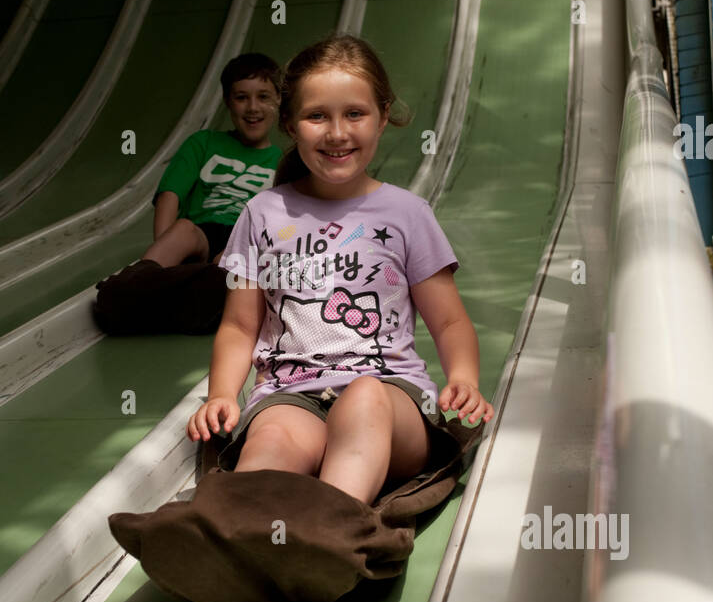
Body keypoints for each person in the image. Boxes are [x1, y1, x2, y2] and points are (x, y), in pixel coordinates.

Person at [186, 33, 493, 506]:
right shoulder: (263, 212)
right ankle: (239, 529)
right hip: (292, 395)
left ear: (383, 117)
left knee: (364, 397)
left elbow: (449, 320)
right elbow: (239, 324)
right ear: (290, 123)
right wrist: (222, 394)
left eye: (354, 113)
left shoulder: (407, 213)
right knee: (268, 443)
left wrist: (464, 379)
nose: (336, 132)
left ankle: (332, 524)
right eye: (316, 116)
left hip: (391, 399)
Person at [93, 52, 283, 335]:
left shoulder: (282, 161)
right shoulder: (204, 142)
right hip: (199, 236)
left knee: (229, 260)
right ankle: (145, 281)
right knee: (183, 229)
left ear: (279, 100)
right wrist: (166, 255)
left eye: (263, 97)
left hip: (241, 239)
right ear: (227, 102)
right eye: (241, 97)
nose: (252, 107)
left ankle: (167, 295)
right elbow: (171, 194)